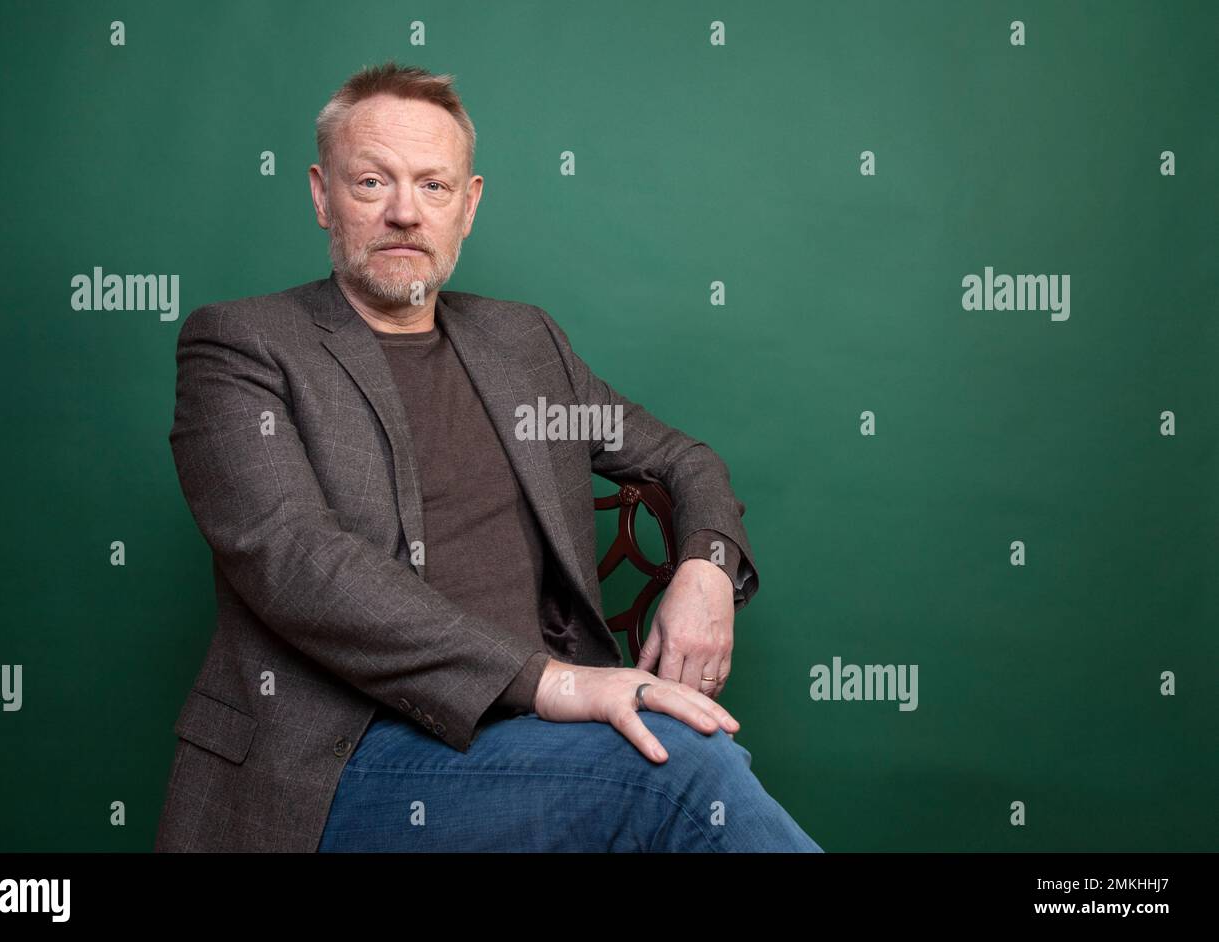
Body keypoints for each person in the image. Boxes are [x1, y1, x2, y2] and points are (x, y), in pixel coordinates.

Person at [154, 60, 822, 853]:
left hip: (532, 747)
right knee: (678, 773)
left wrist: (707, 567)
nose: (406, 212)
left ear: (467, 207)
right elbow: (295, 560)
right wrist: (554, 682)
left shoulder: (522, 344)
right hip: (340, 761)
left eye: (433, 187)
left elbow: (683, 459)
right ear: (321, 195)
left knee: (692, 760)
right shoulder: (244, 345)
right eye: (372, 183)